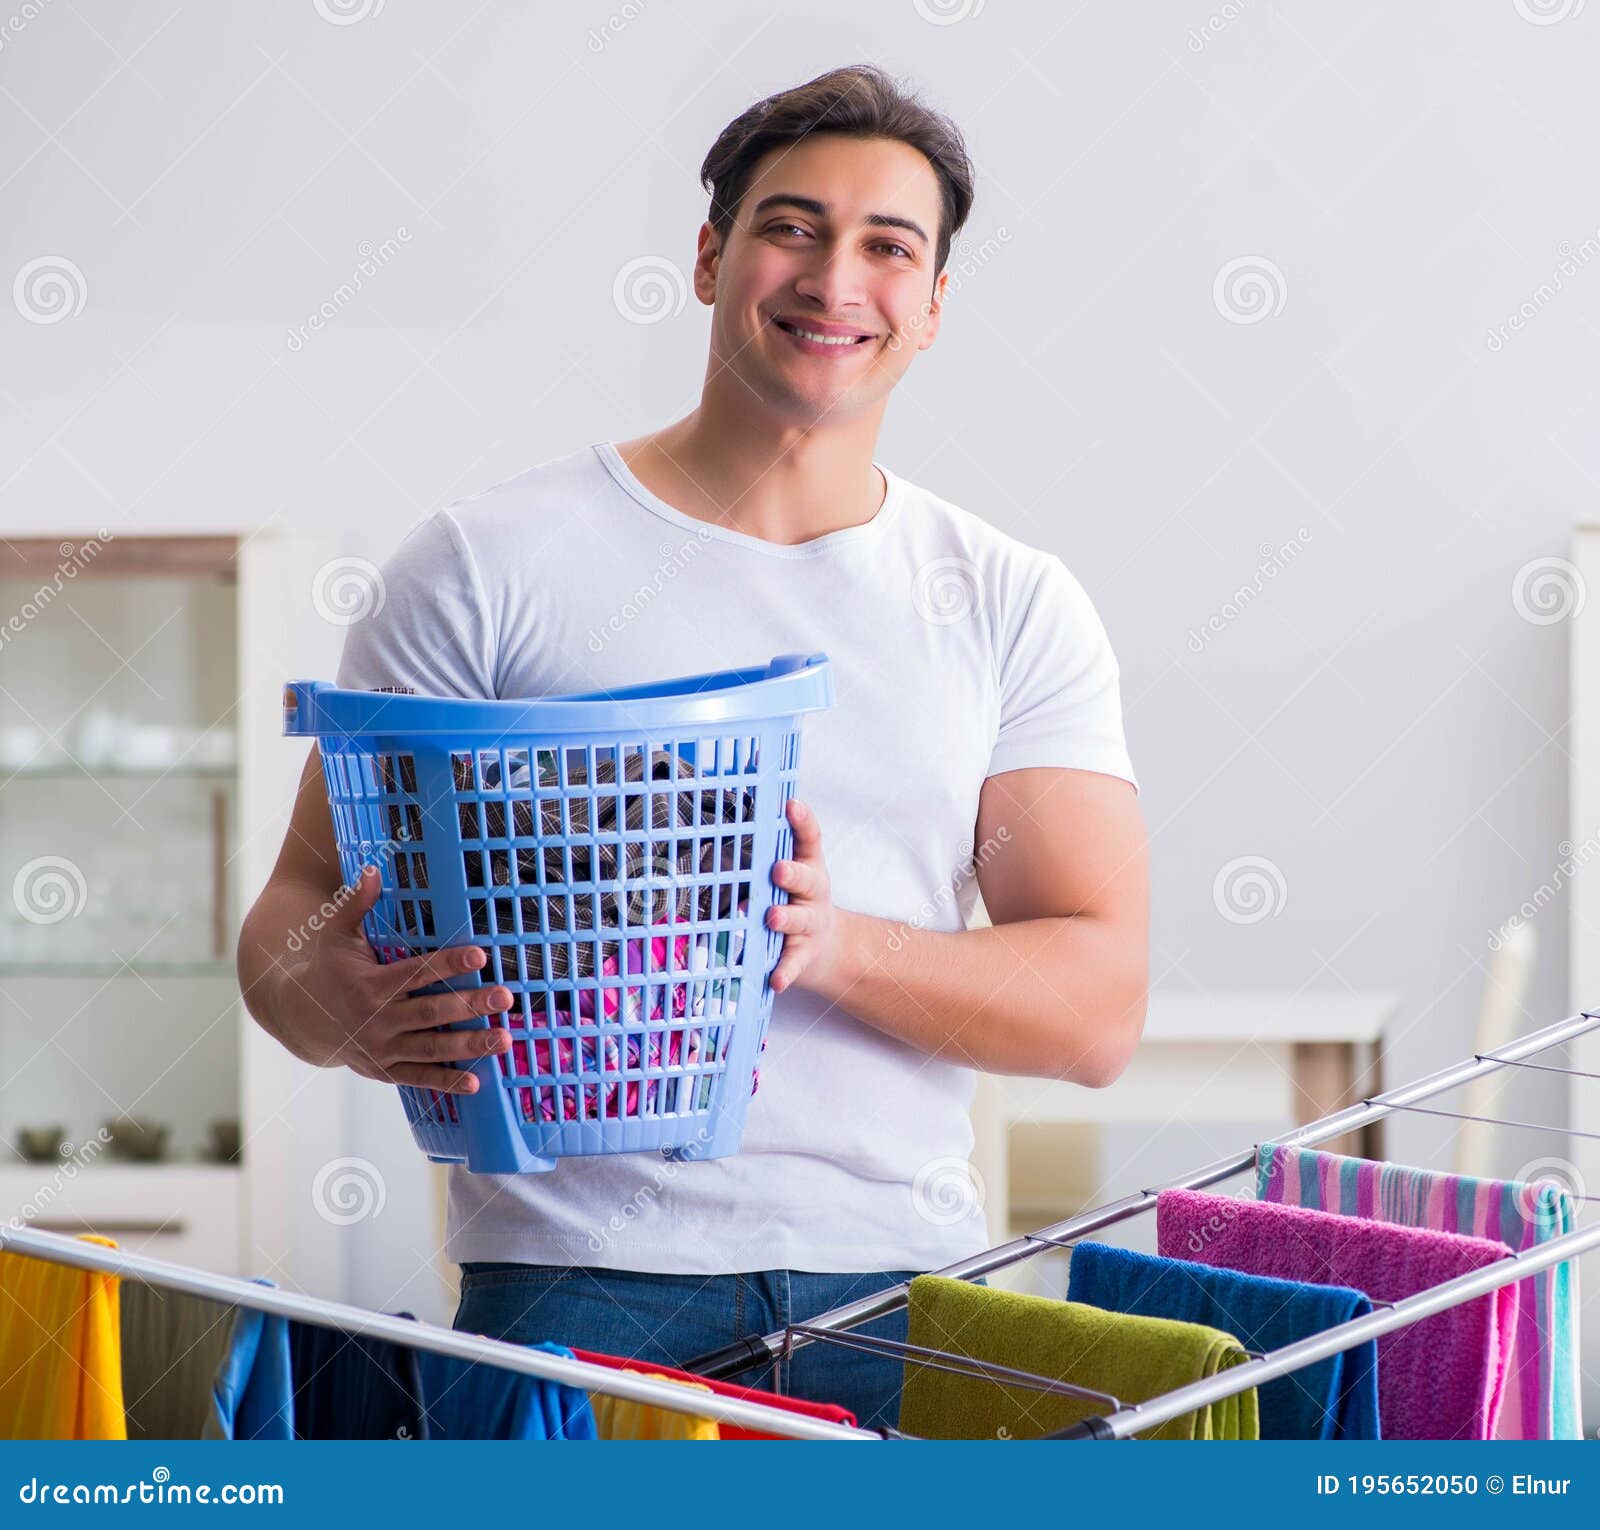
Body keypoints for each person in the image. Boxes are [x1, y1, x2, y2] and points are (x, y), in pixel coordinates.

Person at [237, 63, 1148, 1431]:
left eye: (888, 246)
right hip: (575, 1282)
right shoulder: (489, 566)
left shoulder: (1007, 599)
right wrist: (344, 1009)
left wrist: (840, 946)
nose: (836, 276)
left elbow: (1096, 1004)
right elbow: (289, 924)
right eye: (792, 225)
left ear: (934, 305)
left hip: (896, 1287)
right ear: (714, 255)